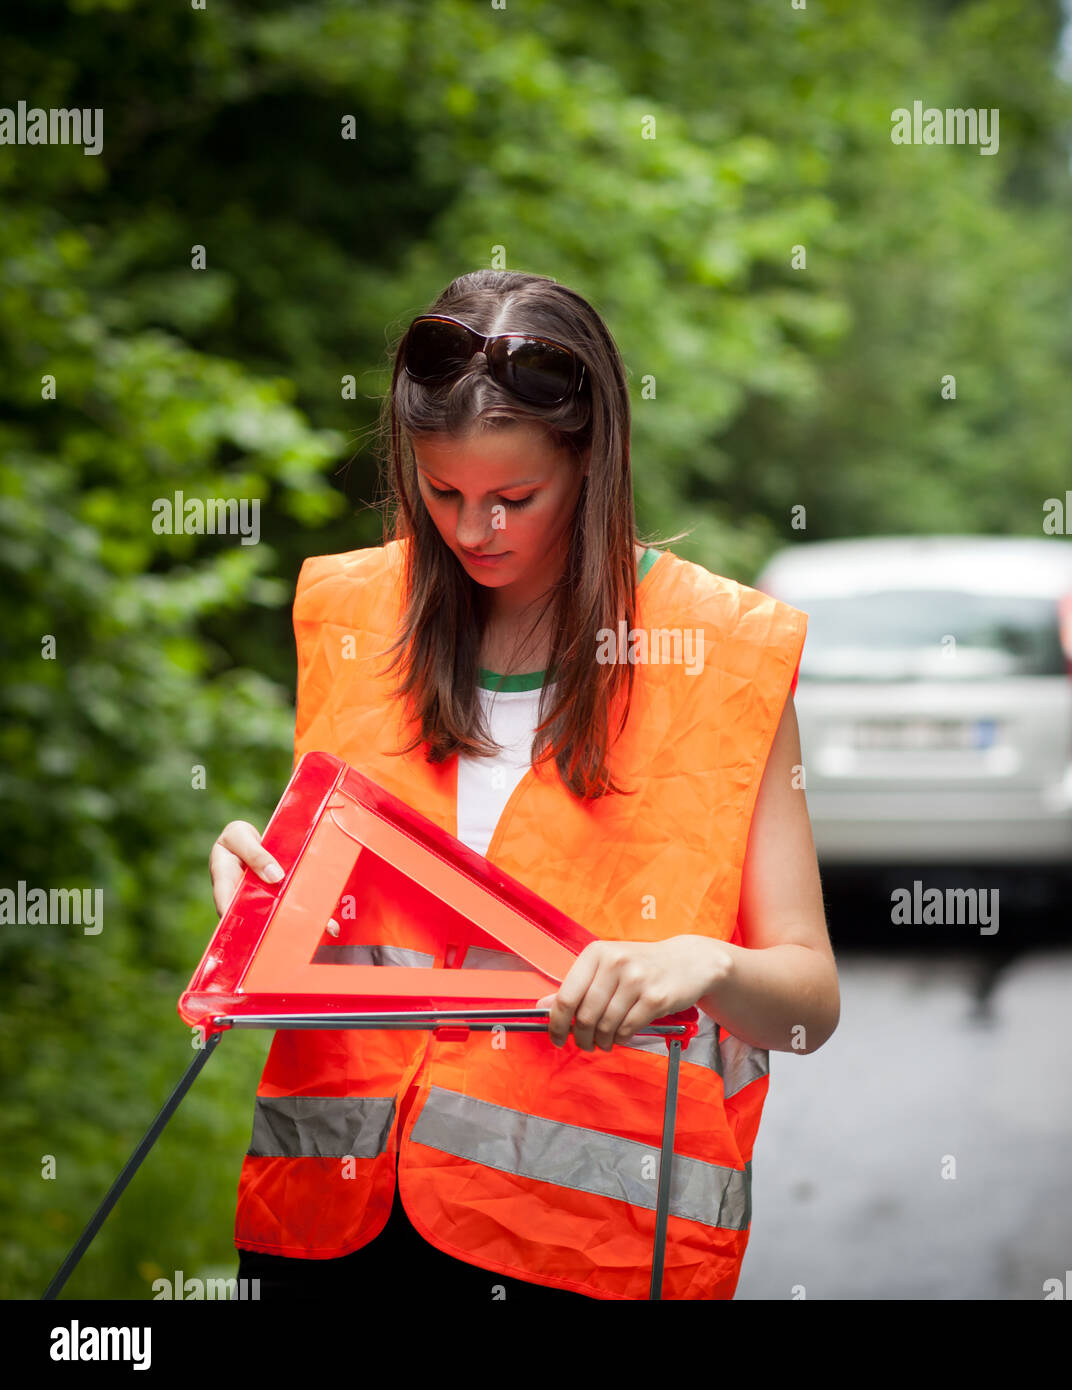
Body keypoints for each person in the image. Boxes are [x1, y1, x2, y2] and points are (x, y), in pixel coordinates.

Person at [208, 268, 840, 1300]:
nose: (472, 531)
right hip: (322, 1226)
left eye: (514, 499)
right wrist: (257, 885)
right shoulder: (354, 615)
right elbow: (338, 924)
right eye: (443, 493)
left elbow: (809, 1005)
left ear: (591, 463)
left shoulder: (720, 658)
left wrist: (702, 963)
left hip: (582, 1249)